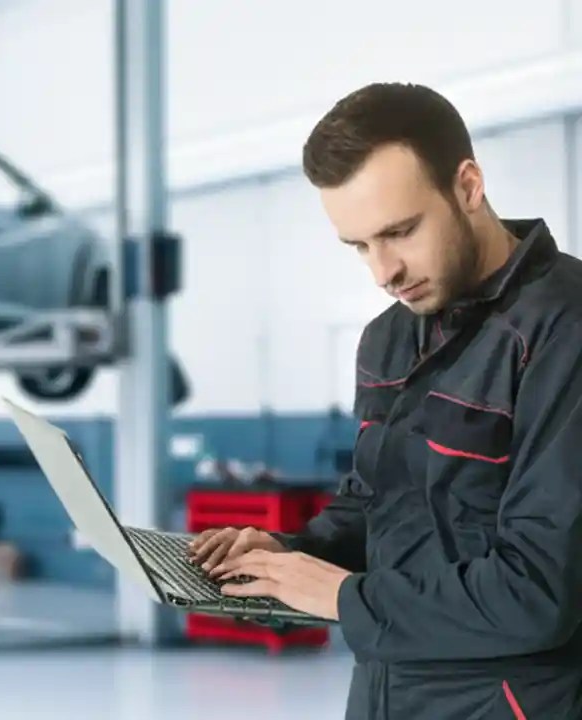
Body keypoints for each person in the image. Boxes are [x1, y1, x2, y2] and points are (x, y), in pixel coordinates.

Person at [188, 82, 582, 719]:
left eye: (400, 232)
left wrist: (343, 598)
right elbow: (376, 507)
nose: (383, 272)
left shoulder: (563, 331)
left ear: (468, 186)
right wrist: (289, 557)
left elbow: (538, 593)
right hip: (384, 694)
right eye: (360, 246)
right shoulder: (388, 339)